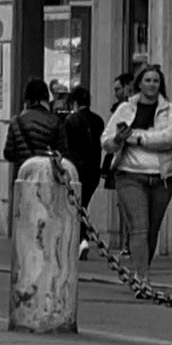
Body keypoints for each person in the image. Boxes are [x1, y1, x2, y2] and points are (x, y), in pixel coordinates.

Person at [99, 60, 172, 269]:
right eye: (147, 80)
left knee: (152, 231)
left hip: (161, 177)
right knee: (139, 228)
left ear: (160, 84)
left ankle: (143, 270)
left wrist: (135, 138)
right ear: (140, 83)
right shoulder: (125, 108)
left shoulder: (171, 110)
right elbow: (106, 141)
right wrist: (119, 139)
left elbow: (168, 139)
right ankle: (141, 277)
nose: (151, 85)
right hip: (130, 175)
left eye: (155, 81)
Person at [60, 82, 106, 240]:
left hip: (76, 169)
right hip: (93, 170)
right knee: (84, 202)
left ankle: (80, 237)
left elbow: (66, 146)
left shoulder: (71, 120)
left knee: (75, 204)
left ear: (74, 102)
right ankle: (82, 236)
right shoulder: (98, 120)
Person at [2, 77, 62, 179]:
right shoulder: (55, 121)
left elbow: (9, 154)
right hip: (47, 178)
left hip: (23, 177)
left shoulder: (16, 121)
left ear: (27, 100)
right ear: (46, 98)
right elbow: (63, 153)